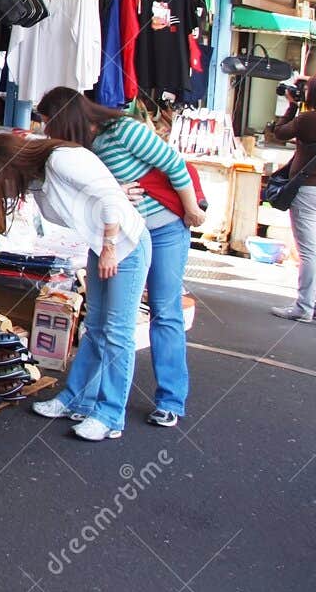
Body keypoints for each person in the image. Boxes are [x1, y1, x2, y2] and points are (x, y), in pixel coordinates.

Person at [35, 88, 202, 429]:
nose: (46, 131)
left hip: (165, 227)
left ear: (66, 118)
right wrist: (117, 191)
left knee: (164, 310)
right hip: (120, 232)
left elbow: (173, 164)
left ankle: (170, 399)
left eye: (49, 122)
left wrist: (192, 210)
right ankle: (81, 397)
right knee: (99, 320)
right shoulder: (81, 148)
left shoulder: (126, 131)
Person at [0, 130, 149, 442]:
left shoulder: (60, 160)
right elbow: (99, 193)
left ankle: (110, 415)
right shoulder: (39, 174)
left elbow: (109, 198)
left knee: (117, 332)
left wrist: (109, 247)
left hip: (126, 245)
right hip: (102, 244)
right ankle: (77, 399)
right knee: (94, 327)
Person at [266, 74, 316, 323]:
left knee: (308, 252)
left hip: (308, 191)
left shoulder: (307, 119)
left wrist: (291, 104)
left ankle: (303, 307)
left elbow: (278, 133)